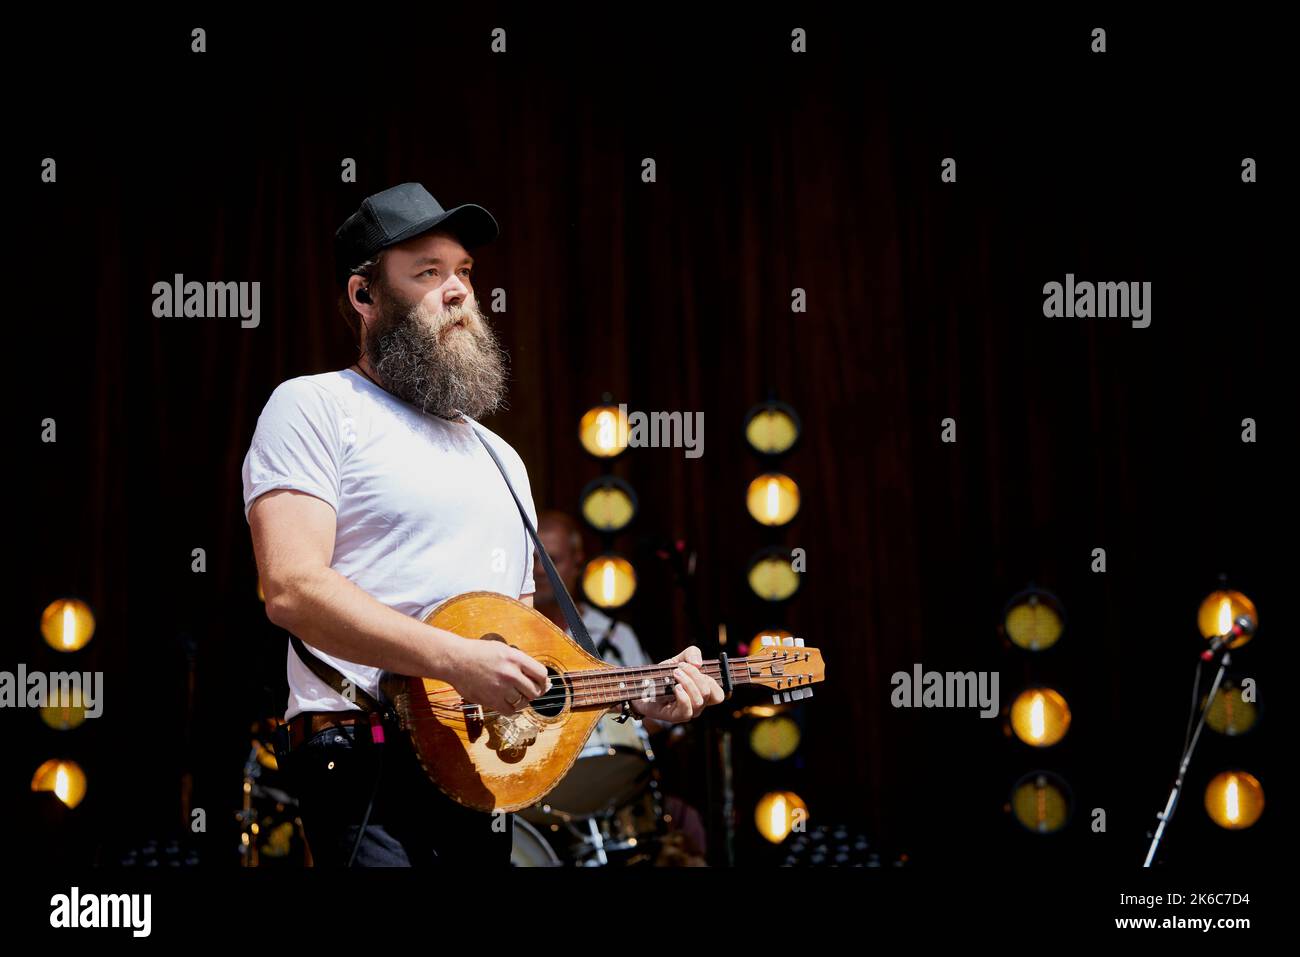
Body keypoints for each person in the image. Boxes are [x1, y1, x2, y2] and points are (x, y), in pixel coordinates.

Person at [241, 182, 724, 866]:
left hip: (479, 776)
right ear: (364, 296)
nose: (459, 290)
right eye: (428, 272)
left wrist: (638, 692)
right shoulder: (315, 406)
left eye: (464, 271)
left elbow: (522, 648)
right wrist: (456, 661)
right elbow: (290, 588)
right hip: (364, 757)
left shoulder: (500, 457)